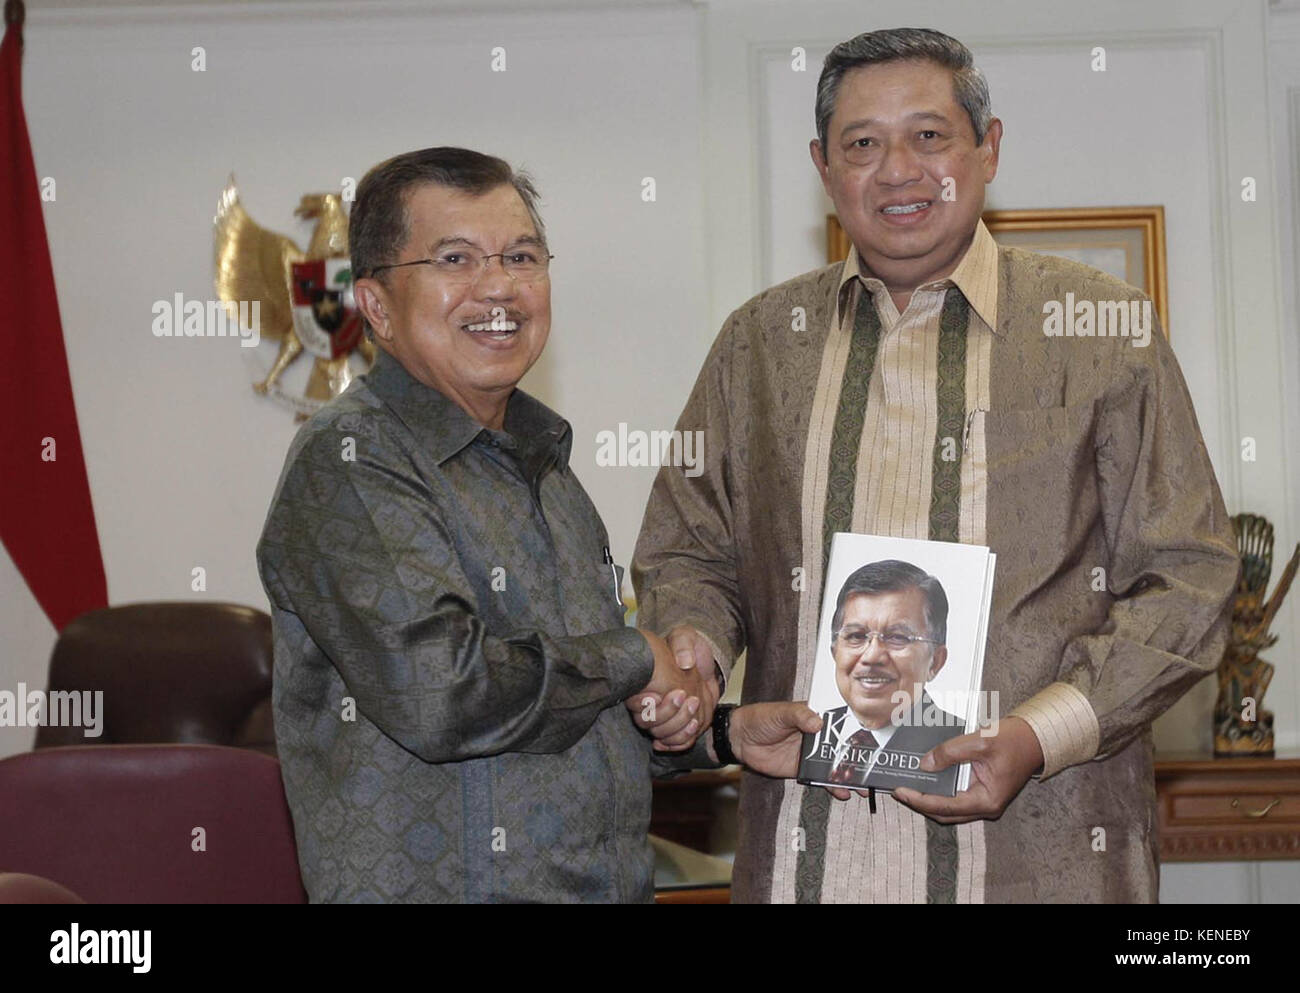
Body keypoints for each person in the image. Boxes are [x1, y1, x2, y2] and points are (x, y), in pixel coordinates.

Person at [633, 29, 1239, 902]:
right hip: (810, 855)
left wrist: (1037, 733)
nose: (897, 170)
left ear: (988, 149)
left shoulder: (1100, 327)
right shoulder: (760, 345)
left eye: (930, 135)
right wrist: (693, 657)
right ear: (823, 166)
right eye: (862, 144)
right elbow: (690, 549)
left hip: (1044, 851)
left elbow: (1191, 575)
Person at [257, 146, 821, 903]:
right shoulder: (354, 458)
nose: (498, 287)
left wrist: (719, 733)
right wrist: (633, 657)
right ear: (378, 306)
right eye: (454, 258)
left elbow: (556, 711)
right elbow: (441, 694)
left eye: (521, 255)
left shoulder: (547, 469)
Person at [801, 560, 964, 793]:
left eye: (897, 637)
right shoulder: (809, 733)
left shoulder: (959, 743)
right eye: (856, 635)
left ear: (935, 662)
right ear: (834, 651)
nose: (872, 655)